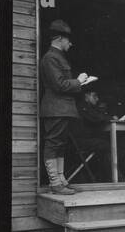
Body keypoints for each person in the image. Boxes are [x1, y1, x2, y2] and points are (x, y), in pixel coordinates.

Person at [39, 19, 95, 195]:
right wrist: (79, 81)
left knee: (60, 144)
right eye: (68, 40)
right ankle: (55, 183)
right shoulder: (50, 58)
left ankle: (61, 180)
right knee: (54, 143)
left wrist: (79, 82)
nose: (70, 44)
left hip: (62, 108)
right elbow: (59, 85)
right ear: (60, 39)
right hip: (56, 108)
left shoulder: (57, 57)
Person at [75, 87, 114, 182]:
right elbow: (96, 118)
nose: (97, 99)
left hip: (84, 140)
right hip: (80, 142)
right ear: (86, 96)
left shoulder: (88, 107)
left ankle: (107, 177)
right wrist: (109, 118)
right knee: (106, 145)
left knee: (104, 143)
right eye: (94, 96)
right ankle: (112, 178)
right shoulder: (82, 107)